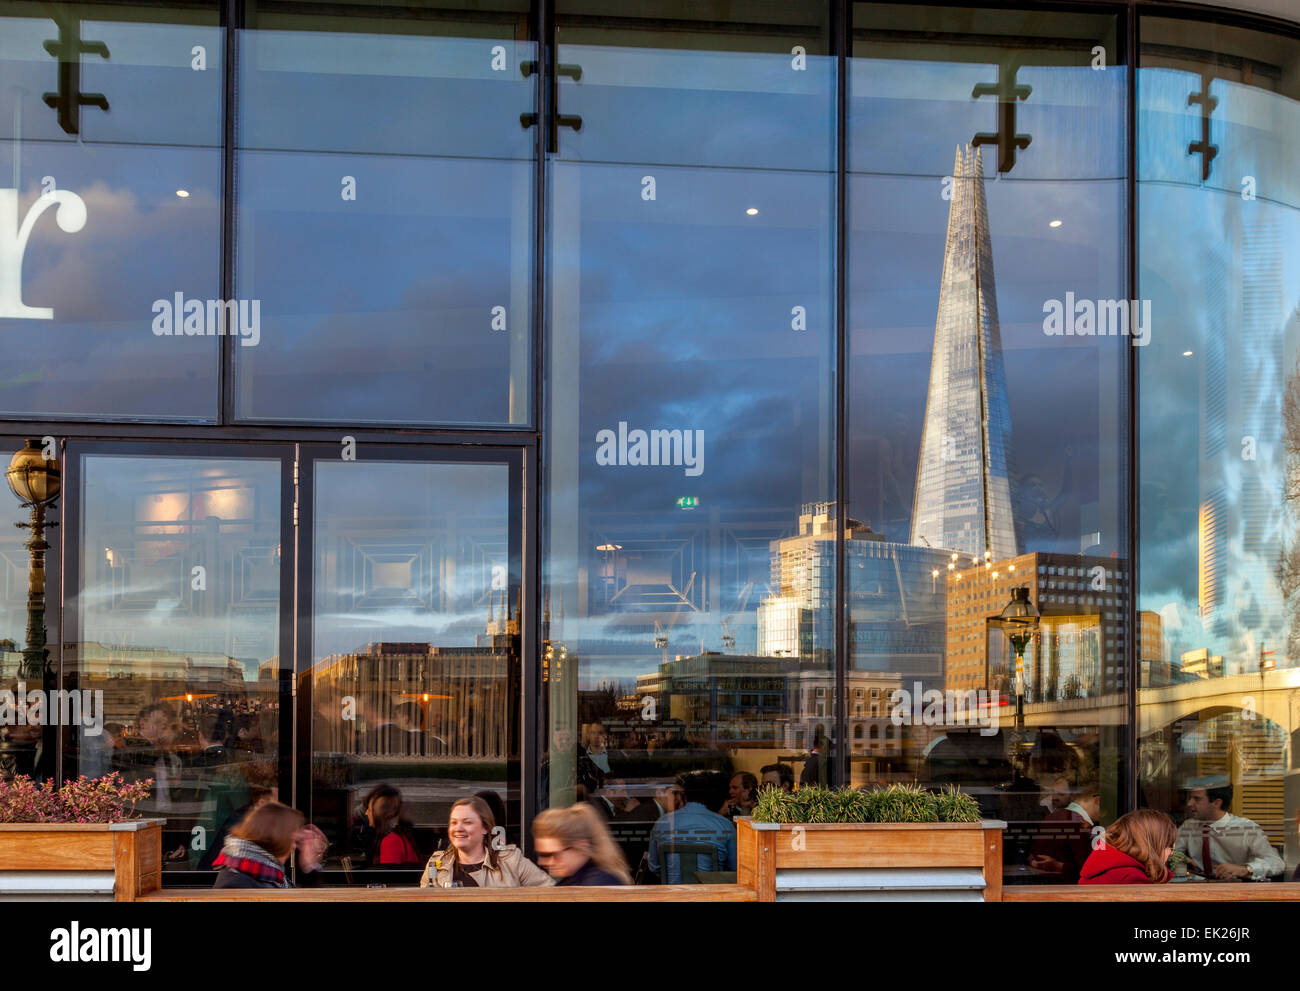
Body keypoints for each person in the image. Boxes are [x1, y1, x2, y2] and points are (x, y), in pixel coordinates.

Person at [420, 796, 551, 888]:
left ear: (485, 828)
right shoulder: (436, 864)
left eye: (467, 822)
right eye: (454, 822)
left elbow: (552, 893)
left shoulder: (511, 861)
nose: (458, 828)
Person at [1174, 777, 1284, 881]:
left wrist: (1245, 869)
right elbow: (1170, 853)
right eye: (1190, 798)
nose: (1189, 803)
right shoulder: (1189, 826)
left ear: (1216, 803)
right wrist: (1178, 858)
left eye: (1197, 799)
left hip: (1237, 891)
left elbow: (1277, 863)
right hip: (1198, 887)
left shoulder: (1246, 828)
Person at [647, 770, 736, 884]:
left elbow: (654, 867)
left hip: (673, 897)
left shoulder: (663, 823)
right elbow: (735, 867)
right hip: (712, 897)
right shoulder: (725, 825)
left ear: (685, 796)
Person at [212, 801, 327, 889]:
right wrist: (310, 868)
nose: (293, 847)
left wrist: (310, 868)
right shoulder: (239, 884)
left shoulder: (255, 873)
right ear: (279, 838)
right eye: (294, 840)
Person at [532, 804, 631, 886]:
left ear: (581, 846)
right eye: (541, 854)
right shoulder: (584, 881)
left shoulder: (599, 885)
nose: (542, 862)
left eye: (552, 854)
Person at [1079, 809, 1177, 884]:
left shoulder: (1104, 868)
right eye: (1169, 846)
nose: (1171, 852)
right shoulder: (1132, 880)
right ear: (1150, 846)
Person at [1028, 781, 1101, 883]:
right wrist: (1061, 867)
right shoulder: (1077, 823)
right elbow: (1088, 870)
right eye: (1105, 810)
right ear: (1098, 801)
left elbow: (1035, 856)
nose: (1103, 815)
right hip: (1069, 887)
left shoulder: (1054, 817)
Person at [351, 784, 421, 868]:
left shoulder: (384, 826)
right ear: (371, 804)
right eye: (385, 807)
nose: (390, 813)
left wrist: (404, 821)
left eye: (394, 808)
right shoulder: (363, 829)